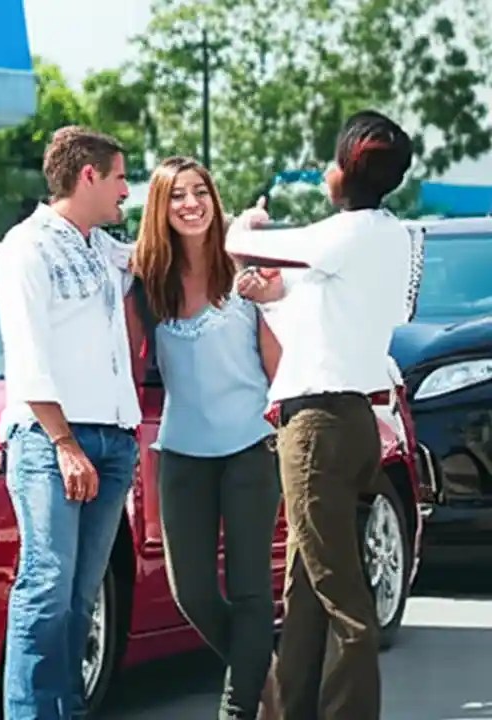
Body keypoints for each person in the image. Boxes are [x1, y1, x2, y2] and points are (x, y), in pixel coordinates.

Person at [226, 110, 416, 720]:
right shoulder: (392, 236)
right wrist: (276, 299)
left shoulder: (341, 235)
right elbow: (324, 321)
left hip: (316, 431)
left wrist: (249, 221)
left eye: (333, 163)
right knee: (305, 588)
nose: (327, 173)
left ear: (344, 173)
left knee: (340, 597)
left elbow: (239, 242)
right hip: (354, 419)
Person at [0, 126, 139, 720]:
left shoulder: (102, 247)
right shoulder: (25, 249)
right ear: (89, 176)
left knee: (82, 598)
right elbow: (28, 356)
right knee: (45, 588)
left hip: (113, 439)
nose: (128, 190)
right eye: (122, 177)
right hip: (51, 441)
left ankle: (66, 711)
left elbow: (168, 257)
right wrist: (65, 445)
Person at [128, 156, 282, 720]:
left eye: (201, 193)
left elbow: (277, 365)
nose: (191, 204)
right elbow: (122, 357)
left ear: (215, 202)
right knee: (190, 591)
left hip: (250, 447)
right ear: (159, 208)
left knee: (249, 592)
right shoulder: (146, 278)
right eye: (177, 196)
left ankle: (238, 708)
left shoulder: (245, 268)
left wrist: (271, 290)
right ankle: (264, 672)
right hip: (183, 454)